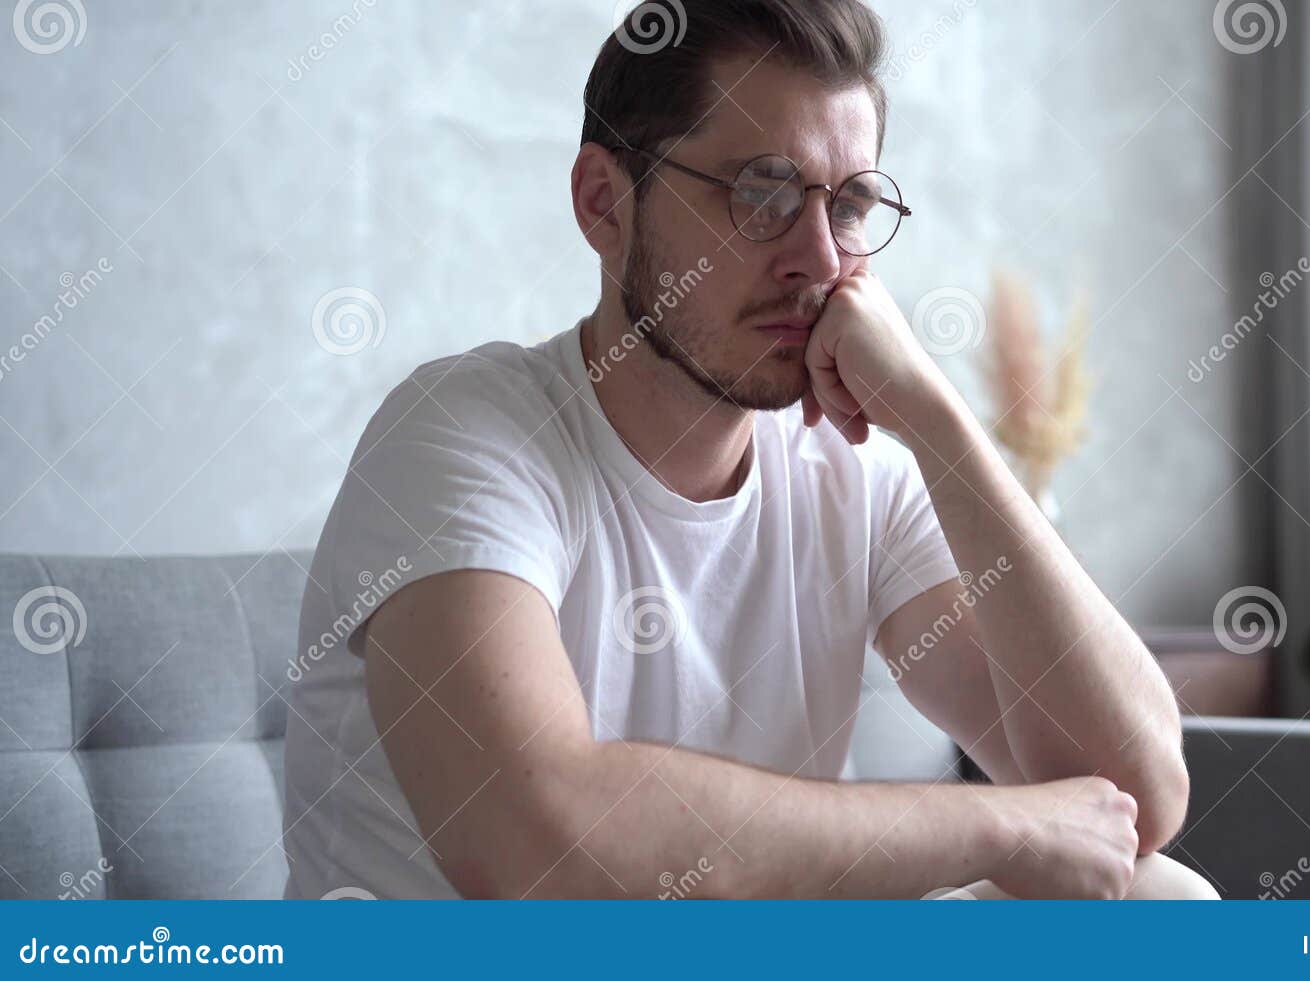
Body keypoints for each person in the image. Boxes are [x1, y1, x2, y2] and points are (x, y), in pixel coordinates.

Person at [281, 0, 1214, 900]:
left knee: (1155, 896)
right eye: (760, 193)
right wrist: (997, 828)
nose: (816, 257)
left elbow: (1133, 795)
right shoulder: (461, 435)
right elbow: (539, 845)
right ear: (605, 204)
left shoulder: (864, 474)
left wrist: (937, 422)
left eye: (849, 206)